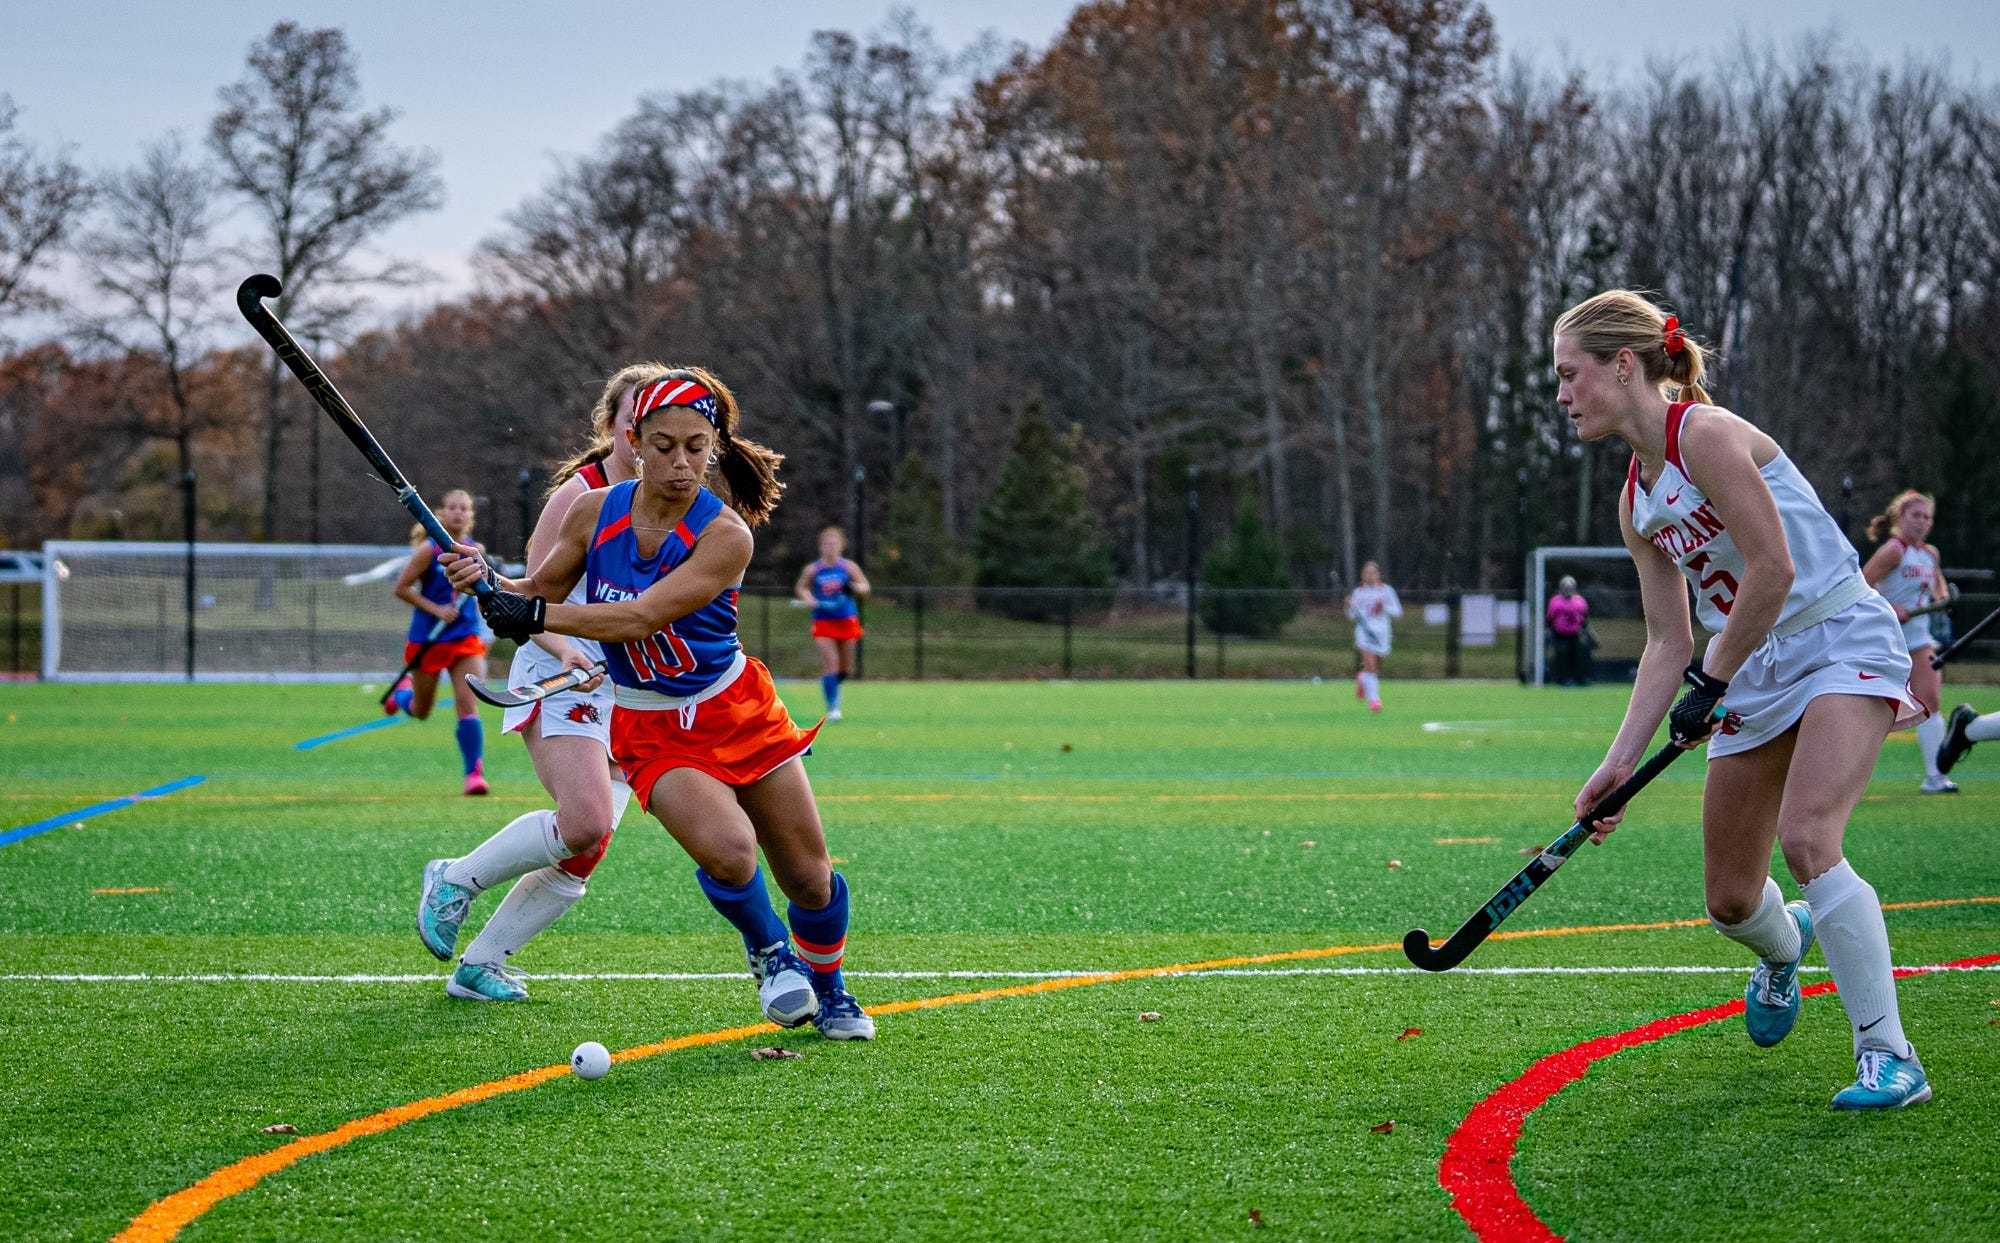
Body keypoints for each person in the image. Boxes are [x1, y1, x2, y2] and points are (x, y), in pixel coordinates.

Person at [1557, 290, 1929, 1109]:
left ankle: (1891, 1055)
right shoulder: (1636, 502)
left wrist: (1712, 681)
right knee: (1730, 898)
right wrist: (1615, 765)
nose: (1562, 394)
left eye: (1570, 373)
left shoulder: (1708, 436)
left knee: (1807, 836)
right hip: (1750, 668)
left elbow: (1774, 570)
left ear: (1625, 366)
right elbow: (1667, 640)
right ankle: (1784, 942)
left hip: (1838, 637)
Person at [437, 365, 874, 1040]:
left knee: (811, 879)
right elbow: (538, 587)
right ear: (633, 439)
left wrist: (530, 611)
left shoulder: (726, 534)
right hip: (651, 724)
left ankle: (833, 987)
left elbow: (638, 617)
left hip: (735, 708)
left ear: (716, 445)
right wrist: (484, 578)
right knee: (730, 851)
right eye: (664, 444)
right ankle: (768, 952)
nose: (681, 461)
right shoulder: (592, 511)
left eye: (696, 446)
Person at [414, 367, 655, 1001]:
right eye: (635, 419)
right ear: (612, 426)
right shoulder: (580, 495)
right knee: (584, 820)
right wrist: (567, 649)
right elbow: (527, 602)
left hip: (626, 685)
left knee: (588, 848)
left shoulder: (674, 498)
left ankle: (481, 964)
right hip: (560, 672)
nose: (646, 430)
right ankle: (456, 878)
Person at [388, 489, 490, 796]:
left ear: (470, 516)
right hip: (428, 640)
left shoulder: (476, 550)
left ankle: (474, 774)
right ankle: (403, 697)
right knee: (422, 710)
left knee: (468, 704)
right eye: (452, 508)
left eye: (464, 508)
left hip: (465, 638)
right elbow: (402, 588)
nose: (458, 513)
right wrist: (437, 610)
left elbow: (482, 591)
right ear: (441, 514)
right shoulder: (428, 550)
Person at [1860, 490, 1954, 793]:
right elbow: (1861, 586)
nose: (1922, 522)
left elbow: (1937, 587)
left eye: (1927, 517)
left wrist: (1944, 599)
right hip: (1885, 640)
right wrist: (1891, 608)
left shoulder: (1930, 553)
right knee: (1870, 710)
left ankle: (1935, 777)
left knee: (1931, 702)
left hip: (1919, 639)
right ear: (1900, 518)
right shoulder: (1894, 550)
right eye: (1916, 516)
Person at [795, 526, 869, 721]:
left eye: (834, 544)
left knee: (846, 668)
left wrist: (852, 587)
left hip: (846, 619)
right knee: (831, 661)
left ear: (841, 546)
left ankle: (834, 685)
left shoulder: (848, 567)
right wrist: (809, 597)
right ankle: (833, 706)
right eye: (827, 544)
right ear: (821, 547)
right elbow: (802, 588)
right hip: (823, 620)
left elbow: (864, 587)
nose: (830, 547)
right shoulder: (814, 569)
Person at [1344, 561, 1401, 711]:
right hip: (1364, 631)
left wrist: (1385, 608)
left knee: (1376, 667)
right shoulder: (1359, 593)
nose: (1370, 575)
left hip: (1382, 632)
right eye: (1367, 572)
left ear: (1378, 575)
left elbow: (1398, 611)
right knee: (1370, 666)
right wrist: (1349, 606)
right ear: (1363, 575)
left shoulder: (1386, 591)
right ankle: (1374, 701)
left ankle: (1362, 679)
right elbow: (1351, 616)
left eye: (1373, 572)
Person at [1547, 575, 1591, 686]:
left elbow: (1584, 618)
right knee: (1562, 656)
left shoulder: (1580, 601)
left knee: (1577, 657)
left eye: (1570, 588)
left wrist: (1584, 631)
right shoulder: (1555, 601)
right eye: (1566, 588)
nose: (1568, 590)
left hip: (1575, 634)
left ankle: (1580, 679)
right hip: (1560, 634)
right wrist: (1550, 631)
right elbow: (1550, 618)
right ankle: (1562, 679)